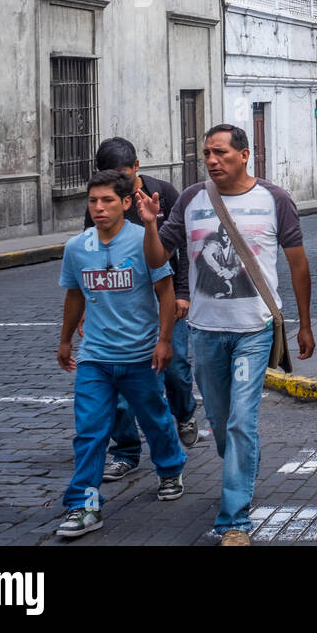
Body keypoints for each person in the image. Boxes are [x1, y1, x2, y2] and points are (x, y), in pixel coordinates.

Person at [138, 124, 316, 546]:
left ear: (245, 155)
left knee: (240, 421)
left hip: (253, 331)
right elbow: (158, 258)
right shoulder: (191, 199)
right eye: (207, 154)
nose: (212, 161)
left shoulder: (275, 199)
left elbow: (299, 266)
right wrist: (149, 224)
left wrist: (304, 324)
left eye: (220, 153)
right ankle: (242, 466)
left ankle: (234, 521)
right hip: (204, 331)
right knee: (219, 422)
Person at [54, 170, 186, 538]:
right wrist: (65, 339)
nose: (99, 207)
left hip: (140, 355)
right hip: (95, 356)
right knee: (91, 432)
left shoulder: (144, 240)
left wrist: (164, 340)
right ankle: (83, 505)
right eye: (93, 201)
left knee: (156, 420)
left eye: (108, 200)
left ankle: (171, 468)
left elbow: (165, 289)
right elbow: (75, 294)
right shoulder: (77, 247)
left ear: (126, 202)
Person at [83, 138, 199, 488]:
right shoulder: (100, 204)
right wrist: (91, 308)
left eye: (123, 175)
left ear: (136, 166)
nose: (113, 187)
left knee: (176, 366)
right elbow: (90, 256)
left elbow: (184, 248)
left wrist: (182, 293)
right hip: (120, 305)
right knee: (117, 390)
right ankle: (126, 452)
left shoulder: (163, 192)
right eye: (109, 177)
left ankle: (185, 414)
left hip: (165, 298)